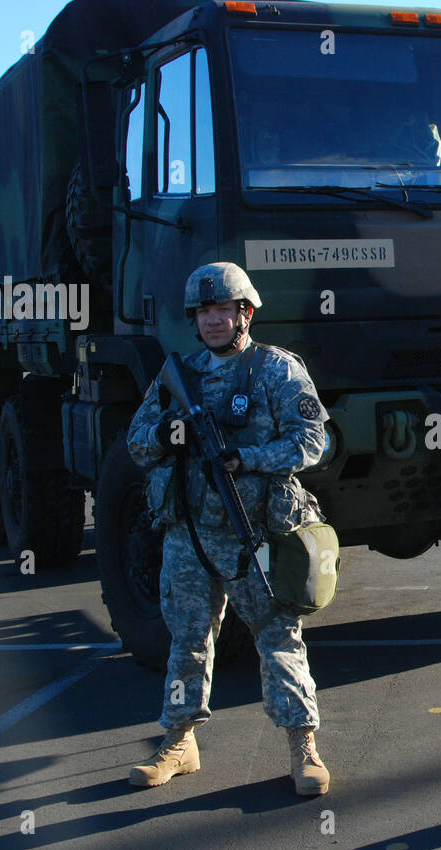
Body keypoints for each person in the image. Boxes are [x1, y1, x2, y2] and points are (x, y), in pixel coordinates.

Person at [126, 262, 332, 796]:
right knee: (187, 641)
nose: (213, 320)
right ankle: (179, 740)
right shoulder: (179, 374)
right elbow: (137, 442)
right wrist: (169, 434)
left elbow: (313, 442)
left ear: (246, 313)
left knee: (279, 636)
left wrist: (250, 458)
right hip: (190, 535)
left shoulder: (277, 371)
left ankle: (303, 744)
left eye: (224, 310)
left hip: (255, 532)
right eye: (204, 312)